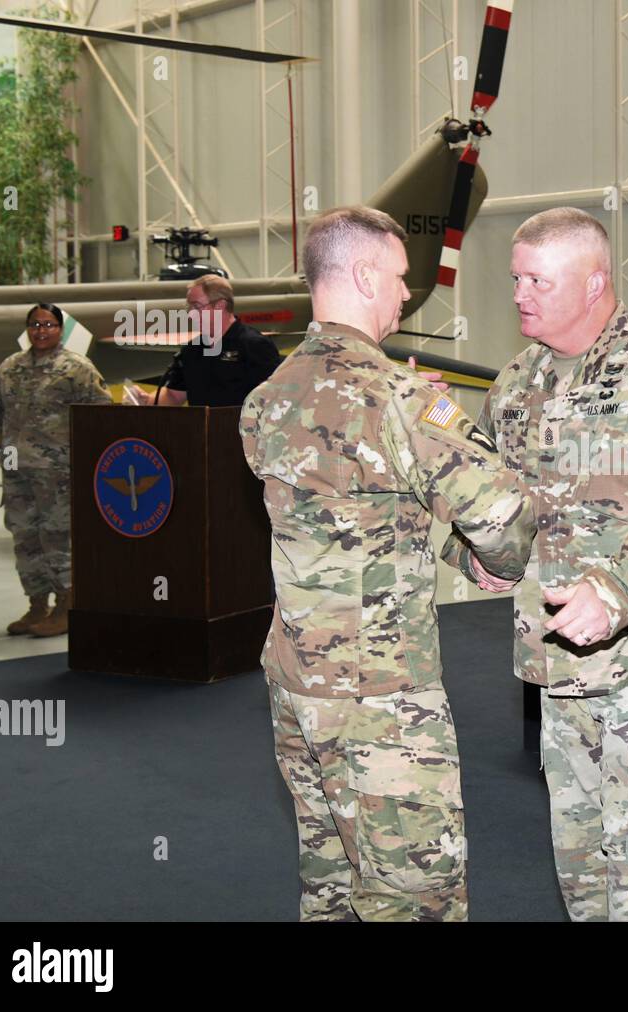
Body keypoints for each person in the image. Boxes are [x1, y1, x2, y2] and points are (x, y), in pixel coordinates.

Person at [240, 206, 534, 922]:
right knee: (415, 895)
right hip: (382, 700)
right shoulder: (400, 396)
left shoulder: (266, 399)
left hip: (297, 684)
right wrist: (488, 560)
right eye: (401, 278)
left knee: (332, 883)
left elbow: (348, 520)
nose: (406, 294)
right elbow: (504, 516)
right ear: (366, 274)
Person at [442, 207, 628, 921]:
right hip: (560, 669)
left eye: (538, 280)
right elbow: (494, 500)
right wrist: (473, 554)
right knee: (583, 875)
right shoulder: (514, 384)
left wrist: (617, 588)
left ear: (595, 281)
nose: (518, 295)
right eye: (515, 279)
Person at [0, 303, 112, 637]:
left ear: (59, 329)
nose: (41, 330)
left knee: (57, 537)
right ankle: (37, 604)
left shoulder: (76, 368)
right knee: (24, 537)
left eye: (48, 325)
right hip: (16, 468)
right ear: (27, 329)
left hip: (58, 472)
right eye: (35, 324)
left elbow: (101, 412)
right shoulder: (10, 367)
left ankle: (66, 605)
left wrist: (89, 455)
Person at [154, 275, 280, 406]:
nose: (191, 314)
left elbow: (275, 399)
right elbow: (173, 395)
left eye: (196, 307)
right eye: (189, 308)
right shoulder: (191, 350)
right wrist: (145, 401)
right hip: (200, 426)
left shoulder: (255, 346)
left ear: (220, 305)